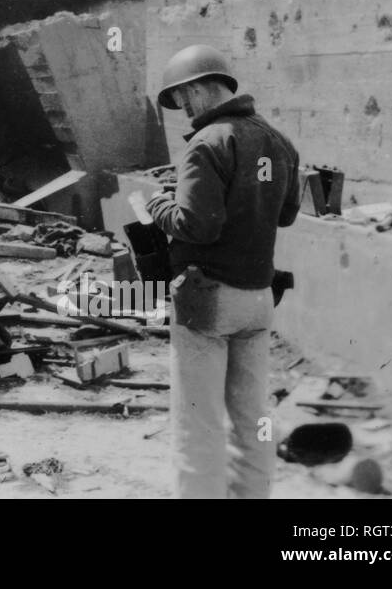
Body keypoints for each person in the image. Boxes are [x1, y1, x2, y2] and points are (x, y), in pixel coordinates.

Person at [146, 44, 300, 499]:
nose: (184, 110)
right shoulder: (279, 141)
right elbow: (286, 214)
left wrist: (159, 203)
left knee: (199, 420)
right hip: (257, 300)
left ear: (197, 87)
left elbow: (197, 225)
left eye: (183, 99)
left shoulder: (207, 143)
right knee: (253, 418)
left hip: (208, 300)